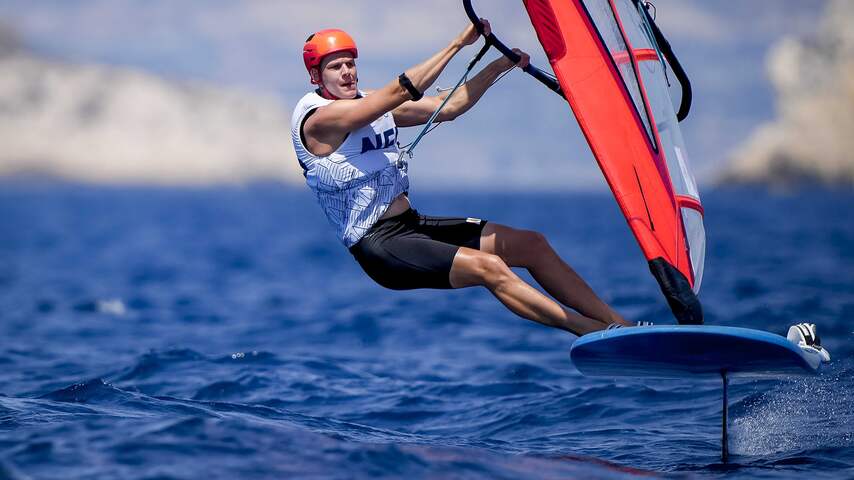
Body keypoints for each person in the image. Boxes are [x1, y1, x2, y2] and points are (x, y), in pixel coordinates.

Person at [290, 21, 631, 336]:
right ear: (316, 78)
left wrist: (498, 66)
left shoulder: (369, 104)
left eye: (350, 63)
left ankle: (620, 324)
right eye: (336, 67)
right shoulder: (319, 120)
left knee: (532, 245)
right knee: (489, 267)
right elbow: (401, 91)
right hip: (380, 246)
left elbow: (447, 107)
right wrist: (457, 44)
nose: (347, 72)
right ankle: (592, 331)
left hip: (411, 225)